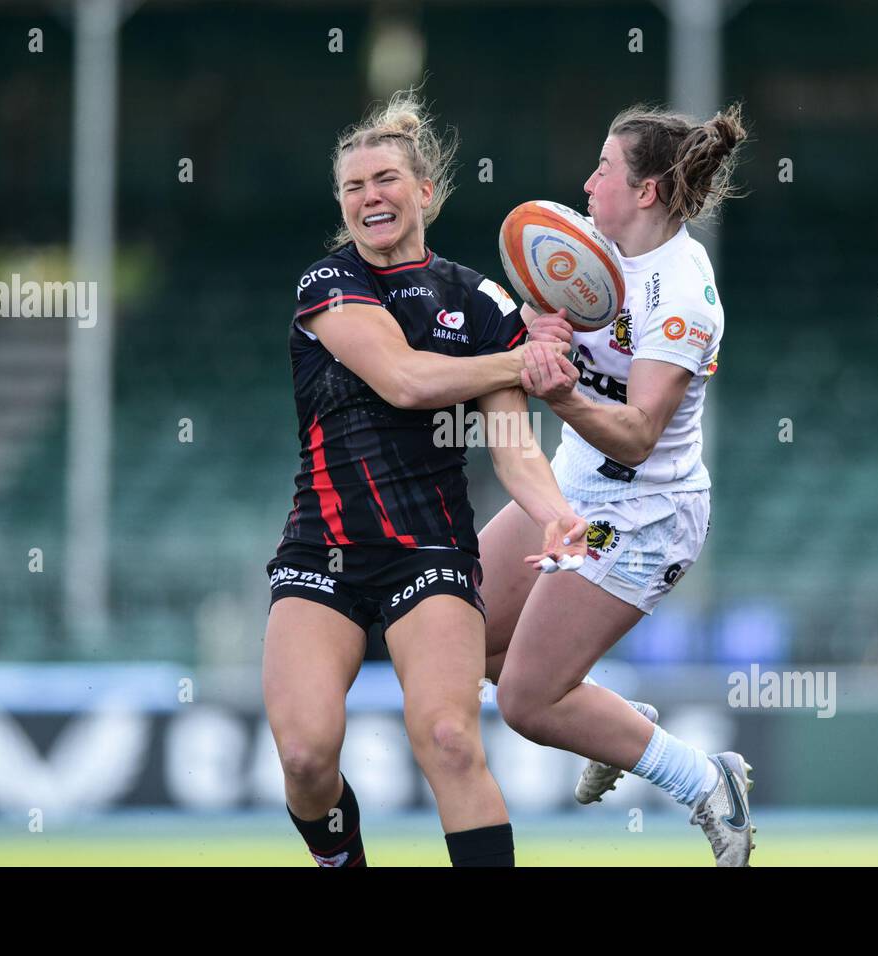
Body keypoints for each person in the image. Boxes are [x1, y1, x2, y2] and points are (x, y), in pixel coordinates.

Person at [262, 91, 586, 868]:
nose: (370, 196)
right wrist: (525, 358)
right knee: (306, 759)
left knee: (447, 737)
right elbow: (404, 381)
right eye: (353, 187)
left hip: (430, 551)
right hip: (321, 551)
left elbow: (514, 448)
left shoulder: (478, 301)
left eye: (385, 180)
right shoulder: (327, 284)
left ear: (425, 192)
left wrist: (556, 513)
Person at [478, 104, 756, 865]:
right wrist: (539, 330)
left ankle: (706, 781)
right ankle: (609, 719)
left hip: (645, 512)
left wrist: (559, 393)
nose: (587, 181)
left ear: (647, 191)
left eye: (605, 168)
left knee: (527, 702)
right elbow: (544, 316)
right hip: (574, 484)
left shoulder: (683, 295)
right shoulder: (587, 249)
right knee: (456, 629)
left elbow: (636, 435)